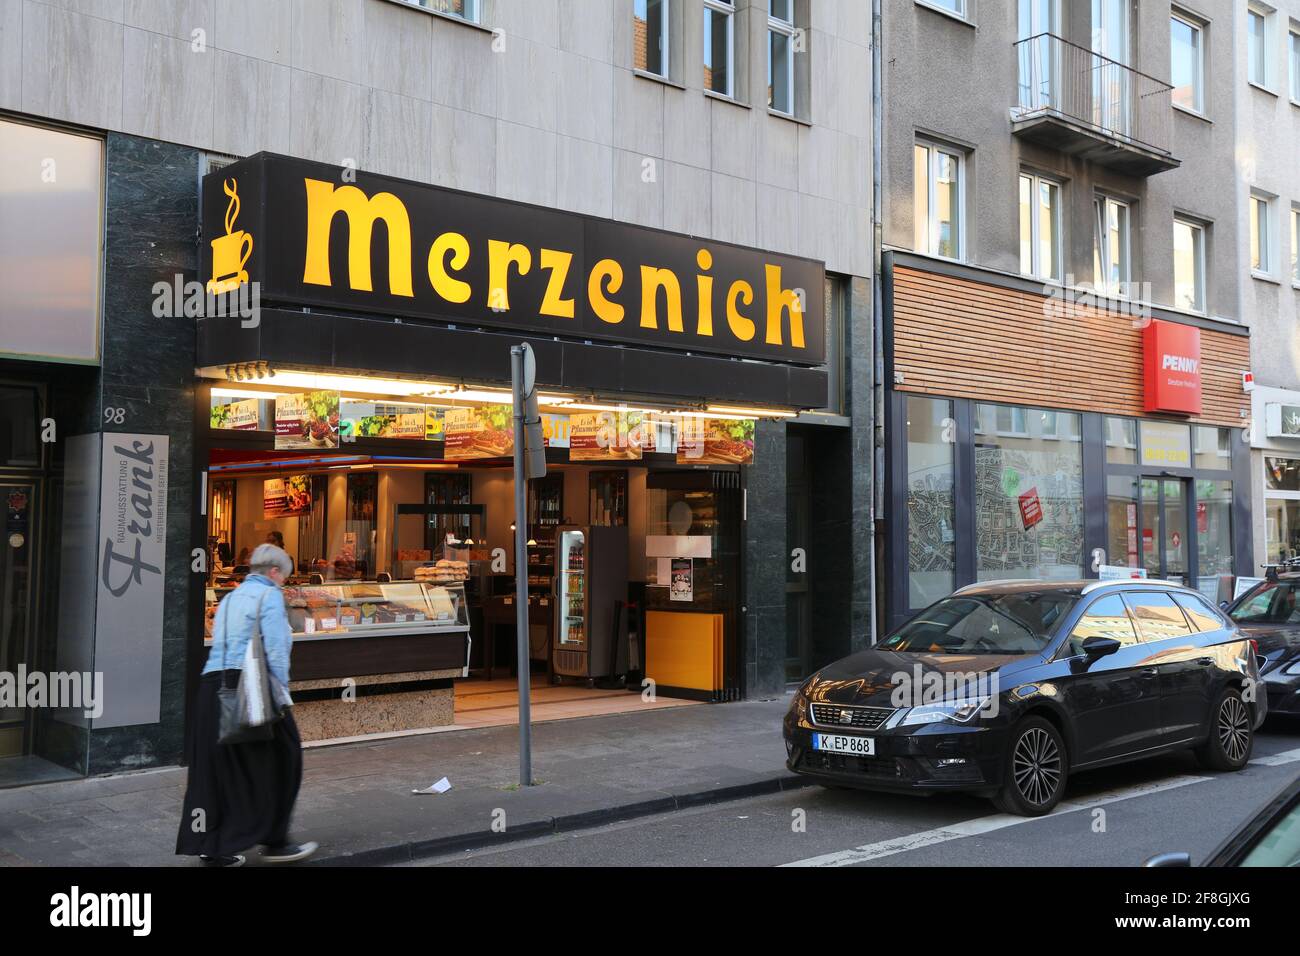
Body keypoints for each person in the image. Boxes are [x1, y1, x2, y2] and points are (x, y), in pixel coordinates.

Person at [176, 543, 318, 867]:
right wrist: (282, 697)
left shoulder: (230, 598)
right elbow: (277, 652)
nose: (283, 582)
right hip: (250, 689)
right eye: (284, 576)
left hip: (212, 688)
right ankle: (275, 841)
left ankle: (214, 846)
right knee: (285, 756)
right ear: (273, 572)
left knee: (218, 768)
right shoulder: (269, 596)